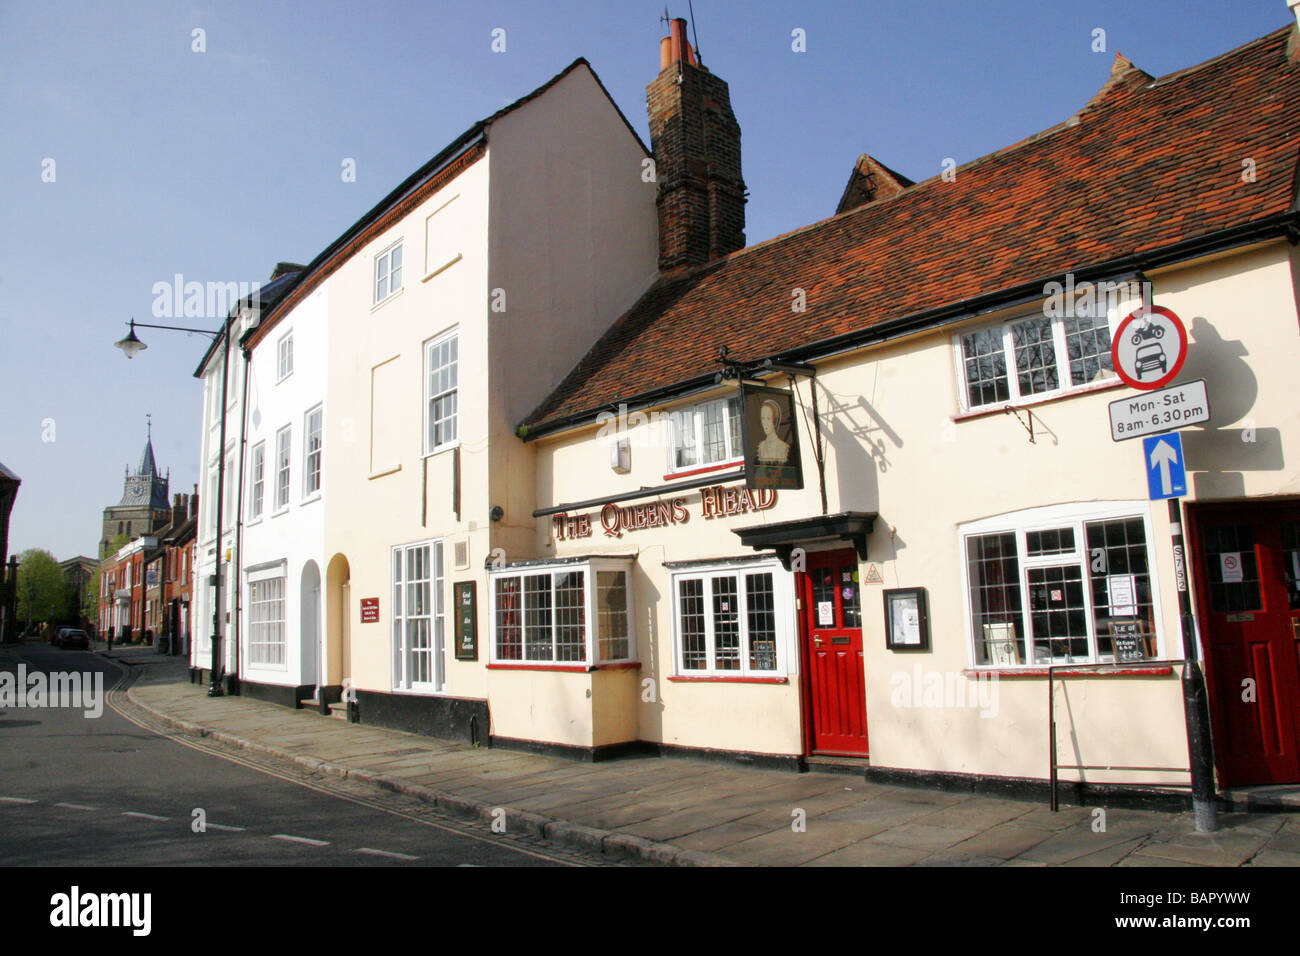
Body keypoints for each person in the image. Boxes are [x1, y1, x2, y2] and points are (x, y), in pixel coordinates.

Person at [756, 399, 791, 464]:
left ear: (775, 420)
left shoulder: (783, 447)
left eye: (769, 418)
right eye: (763, 418)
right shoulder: (761, 446)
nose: (765, 423)